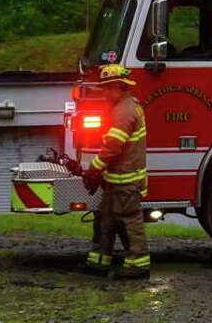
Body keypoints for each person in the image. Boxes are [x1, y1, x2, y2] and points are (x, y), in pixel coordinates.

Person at [82, 63, 151, 278]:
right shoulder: (124, 107)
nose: (104, 93)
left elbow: (113, 146)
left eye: (107, 88)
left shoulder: (125, 111)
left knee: (130, 221)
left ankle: (138, 266)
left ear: (119, 87)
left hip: (126, 181)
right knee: (105, 219)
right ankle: (99, 262)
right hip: (116, 180)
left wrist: (93, 169)